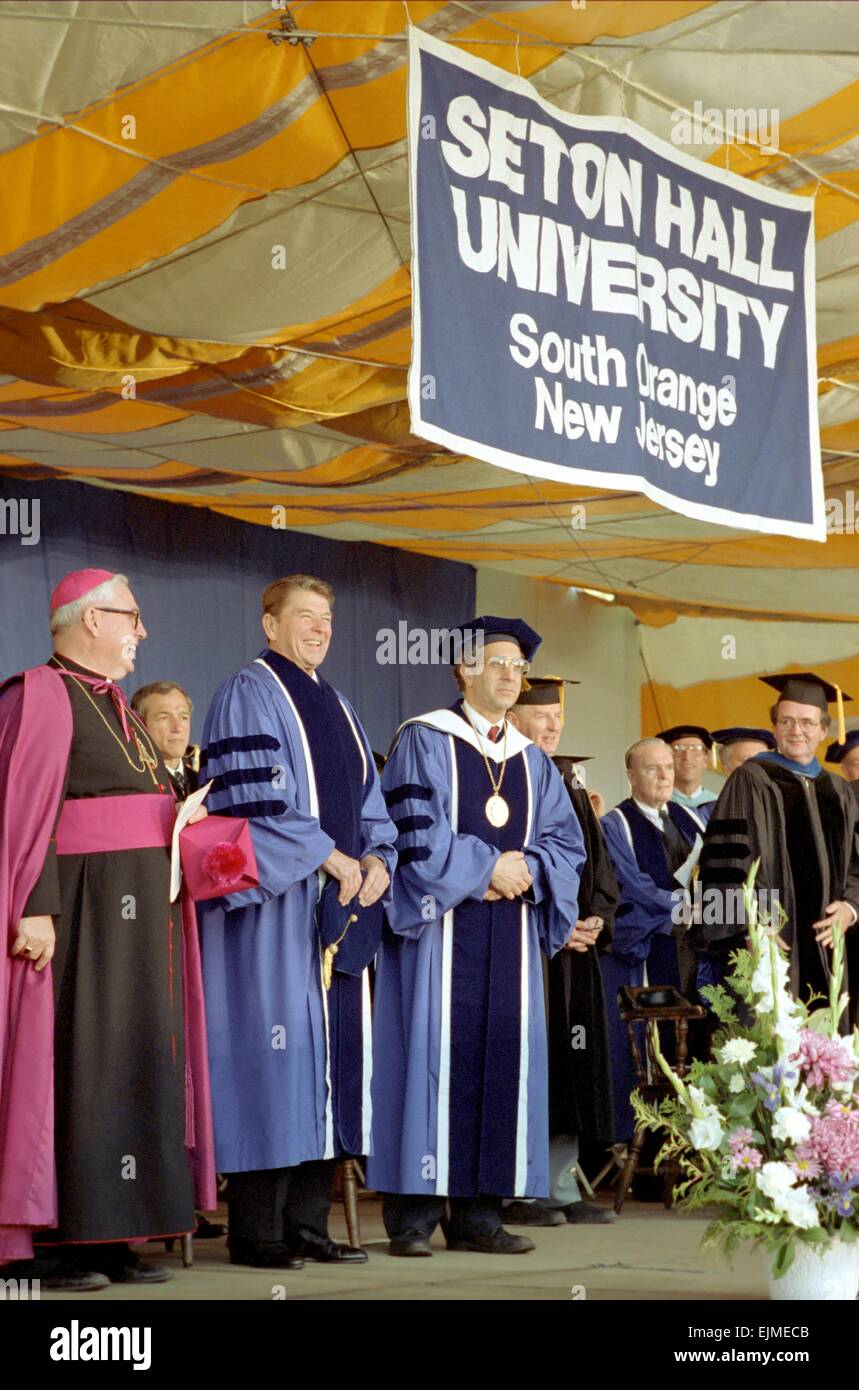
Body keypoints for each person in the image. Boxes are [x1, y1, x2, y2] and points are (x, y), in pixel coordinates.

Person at [0, 569, 215, 1291]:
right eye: (132, 617)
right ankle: (56, 1243)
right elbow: (19, 814)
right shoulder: (40, 695)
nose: (142, 632)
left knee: (128, 1067)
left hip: (135, 921)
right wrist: (34, 903)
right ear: (92, 620)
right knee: (77, 1070)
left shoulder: (116, 705)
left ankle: (111, 1235)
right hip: (79, 920)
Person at [367, 617, 585, 1257]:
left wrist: (529, 870)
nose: (509, 675)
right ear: (463, 670)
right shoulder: (424, 740)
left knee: (500, 1059)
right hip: (441, 931)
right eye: (496, 663)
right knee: (429, 1058)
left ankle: (480, 1216)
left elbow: (564, 844)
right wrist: (487, 867)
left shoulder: (533, 761)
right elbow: (413, 833)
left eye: (517, 666)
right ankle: (411, 1216)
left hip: (511, 935)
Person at [198, 575, 396, 1269]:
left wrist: (376, 858)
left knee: (331, 1071)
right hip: (276, 914)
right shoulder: (247, 691)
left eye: (326, 620)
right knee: (273, 1064)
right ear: (269, 623)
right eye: (303, 617)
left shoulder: (338, 705)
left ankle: (309, 1227)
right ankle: (256, 1233)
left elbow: (373, 801)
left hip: (339, 910)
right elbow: (251, 801)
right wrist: (331, 859)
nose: (318, 629)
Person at [505, 676, 618, 1227]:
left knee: (569, 1068)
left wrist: (597, 914)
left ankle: (560, 1185)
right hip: (530, 946)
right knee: (533, 1064)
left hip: (577, 956)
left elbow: (599, 865)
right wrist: (559, 917)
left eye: (558, 717)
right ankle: (519, 1190)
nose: (553, 725)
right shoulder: (509, 775)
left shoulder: (569, 782)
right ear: (516, 717)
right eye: (542, 715)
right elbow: (512, 861)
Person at [696, 673, 859, 1025]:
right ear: (774, 727)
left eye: (806, 723)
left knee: (828, 1055)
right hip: (772, 946)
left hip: (830, 950)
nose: (796, 730)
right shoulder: (751, 779)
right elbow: (720, 865)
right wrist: (749, 927)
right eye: (786, 721)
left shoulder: (840, 791)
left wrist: (850, 907)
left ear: (823, 731)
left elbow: (855, 866)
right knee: (774, 1055)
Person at [600, 738, 709, 1140]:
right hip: (649, 950)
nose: (665, 775)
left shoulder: (689, 817)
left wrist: (713, 908)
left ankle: (695, 1144)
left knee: (697, 1041)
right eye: (652, 768)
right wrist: (690, 908)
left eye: (668, 766)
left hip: (692, 950)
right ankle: (652, 1143)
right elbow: (636, 887)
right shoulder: (616, 824)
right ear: (630, 775)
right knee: (654, 1050)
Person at [132, 681, 198, 798]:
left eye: (183, 717)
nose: (177, 728)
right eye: (164, 718)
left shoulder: (203, 782)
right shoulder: (133, 785)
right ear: (139, 725)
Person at [656, 724, 718, 822]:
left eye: (696, 749)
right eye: (678, 749)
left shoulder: (720, 805)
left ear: (706, 759)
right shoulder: (656, 803)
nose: (687, 757)